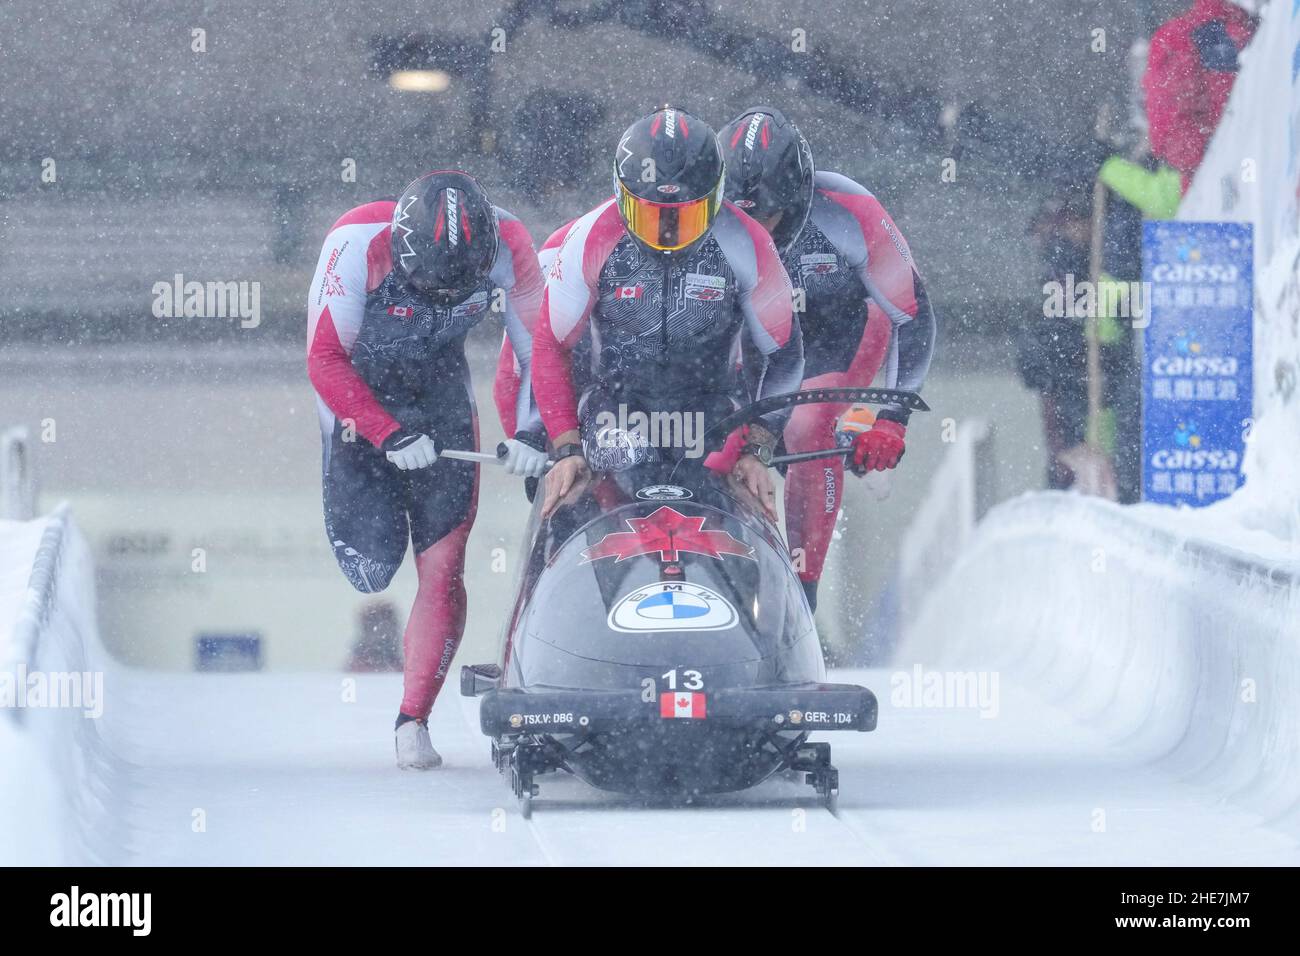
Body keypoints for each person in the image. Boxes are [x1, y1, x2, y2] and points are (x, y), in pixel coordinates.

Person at [306, 170, 548, 770]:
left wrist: (533, 434)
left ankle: (412, 719)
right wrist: (385, 431)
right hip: (360, 395)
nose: (442, 297)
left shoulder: (512, 245)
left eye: (457, 288)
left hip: (439, 391)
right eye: (431, 285)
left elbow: (538, 351)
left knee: (443, 561)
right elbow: (325, 359)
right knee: (371, 566)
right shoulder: (356, 242)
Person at [530, 106, 803, 519]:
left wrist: (757, 449)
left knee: (726, 498)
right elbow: (551, 342)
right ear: (623, 201)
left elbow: (784, 353)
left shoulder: (748, 243)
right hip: (617, 406)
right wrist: (566, 446)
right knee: (617, 481)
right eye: (650, 216)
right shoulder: (590, 238)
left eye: (686, 218)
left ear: (714, 201)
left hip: (712, 409)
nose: (668, 235)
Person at [717, 108, 937, 612]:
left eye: (768, 216)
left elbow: (912, 312)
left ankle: (803, 595)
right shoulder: (709, 217)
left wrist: (894, 418)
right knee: (721, 438)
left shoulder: (849, 211)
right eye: (743, 218)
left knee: (804, 425)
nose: (759, 233)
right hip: (757, 338)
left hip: (840, 331)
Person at [1144, 0, 1260, 193]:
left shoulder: (1265, 26)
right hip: (1216, 189)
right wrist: (1217, 157)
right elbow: (1171, 128)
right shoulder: (1180, 37)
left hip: (1260, 177)